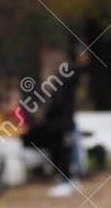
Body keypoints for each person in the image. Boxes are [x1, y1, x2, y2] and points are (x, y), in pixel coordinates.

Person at [23, 47, 80, 197]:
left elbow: (57, 103)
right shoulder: (67, 78)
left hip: (58, 124)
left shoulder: (59, 81)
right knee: (62, 151)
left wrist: (43, 116)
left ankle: (64, 180)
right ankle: (65, 178)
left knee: (59, 151)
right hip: (64, 123)